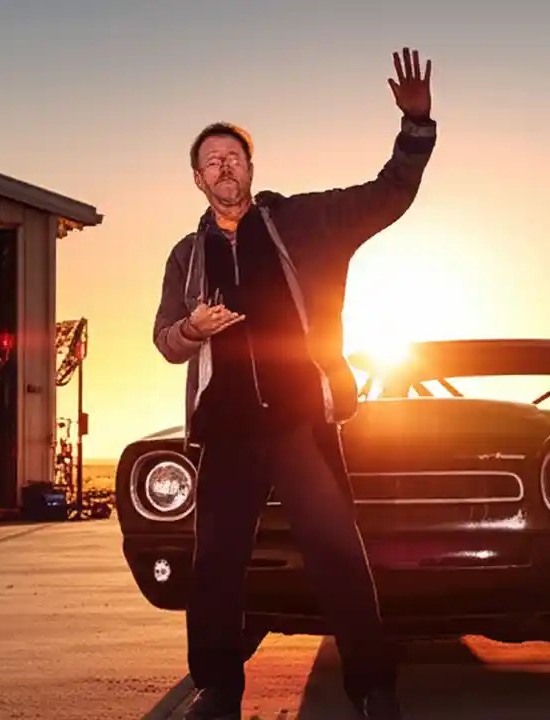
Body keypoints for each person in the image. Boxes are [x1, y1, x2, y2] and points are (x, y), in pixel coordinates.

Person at [151, 47, 437, 720]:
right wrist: (193, 328)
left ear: (252, 167)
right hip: (226, 431)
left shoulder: (303, 222)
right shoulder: (186, 257)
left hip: (300, 422)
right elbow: (165, 342)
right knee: (215, 563)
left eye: (236, 156)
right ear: (197, 177)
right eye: (213, 160)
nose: (226, 167)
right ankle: (218, 688)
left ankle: (373, 687)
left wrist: (417, 126)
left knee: (339, 554)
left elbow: (388, 193)